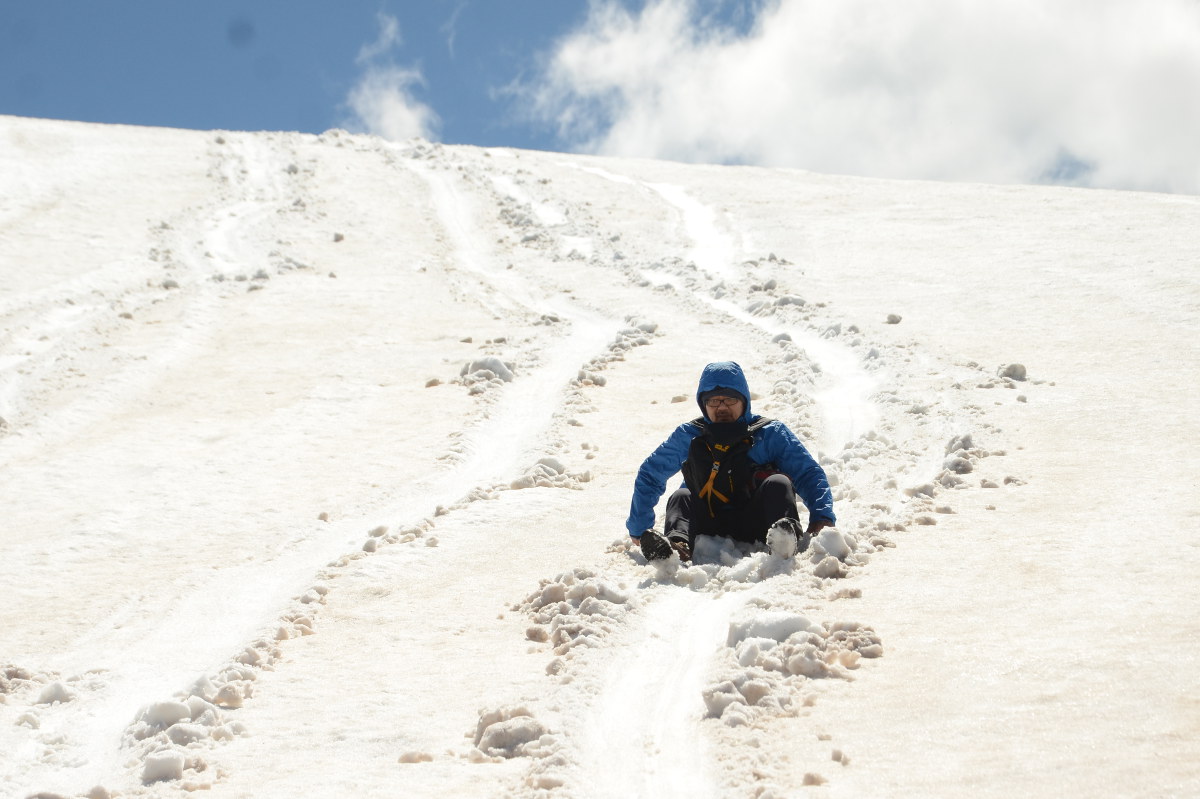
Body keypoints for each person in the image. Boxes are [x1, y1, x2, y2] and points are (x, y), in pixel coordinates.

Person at [626, 361, 836, 562]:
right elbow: (650, 474)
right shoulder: (689, 435)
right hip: (706, 524)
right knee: (681, 496)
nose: (722, 407)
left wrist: (822, 516)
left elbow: (807, 473)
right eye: (713, 401)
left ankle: (784, 541)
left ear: (744, 401)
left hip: (758, 522)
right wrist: (640, 528)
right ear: (703, 404)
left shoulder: (769, 433)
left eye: (730, 400)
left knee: (779, 483)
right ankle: (676, 549)